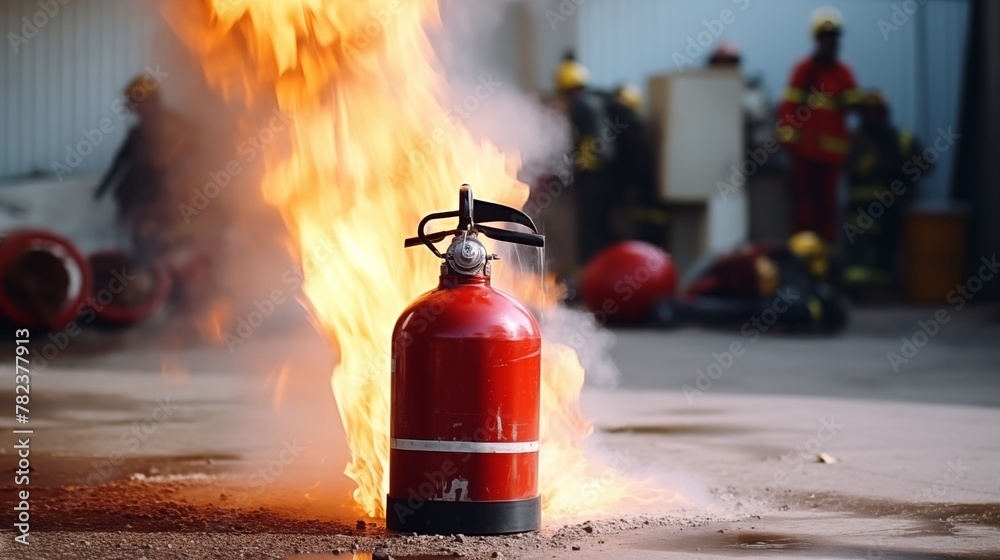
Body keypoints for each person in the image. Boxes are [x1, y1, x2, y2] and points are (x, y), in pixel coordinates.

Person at [777, 7, 861, 242]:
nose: (830, 42)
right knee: (804, 212)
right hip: (805, 155)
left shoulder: (843, 72)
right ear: (817, 40)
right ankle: (802, 257)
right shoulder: (804, 70)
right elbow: (788, 107)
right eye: (825, 38)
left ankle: (825, 261)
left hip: (832, 158)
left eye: (833, 37)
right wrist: (789, 139)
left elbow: (854, 106)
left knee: (828, 212)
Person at [95, 75, 190, 262]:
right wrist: (103, 189)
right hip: (144, 205)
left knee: (162, 254)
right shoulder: (139, 133)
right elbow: (121, 161)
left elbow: (180, 173)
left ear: (150, 101)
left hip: (165, 209)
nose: (133, 110)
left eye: (135, 103)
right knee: (145, 252)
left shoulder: (174, 130)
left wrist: (162, 208)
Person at [843, 90, 922, 295]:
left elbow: (926, 164)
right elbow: (854, 167)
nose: (872, 117)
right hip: (860, 210)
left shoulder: (901, 138)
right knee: (859, 256)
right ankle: (858, 292)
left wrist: (903, 170)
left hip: (893, 207)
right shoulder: (855, 141)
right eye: (867, 113)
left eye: (876, 112)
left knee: (888, 251)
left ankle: (885, 291)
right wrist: (881, 166)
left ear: (885, 113)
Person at [553, 52, 614, 267]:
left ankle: (589, 275)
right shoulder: (597, 101)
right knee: (600, 228)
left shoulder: (579, 106)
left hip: (591, 179)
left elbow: (585, 143)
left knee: (589, 231)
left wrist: (573, 169)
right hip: (607, 177)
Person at [604, 84, 666, 246]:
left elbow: (629, 158)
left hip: (634, 189)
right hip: (641, 189)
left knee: (633, 232)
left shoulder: (628, 124)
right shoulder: (636, 122)